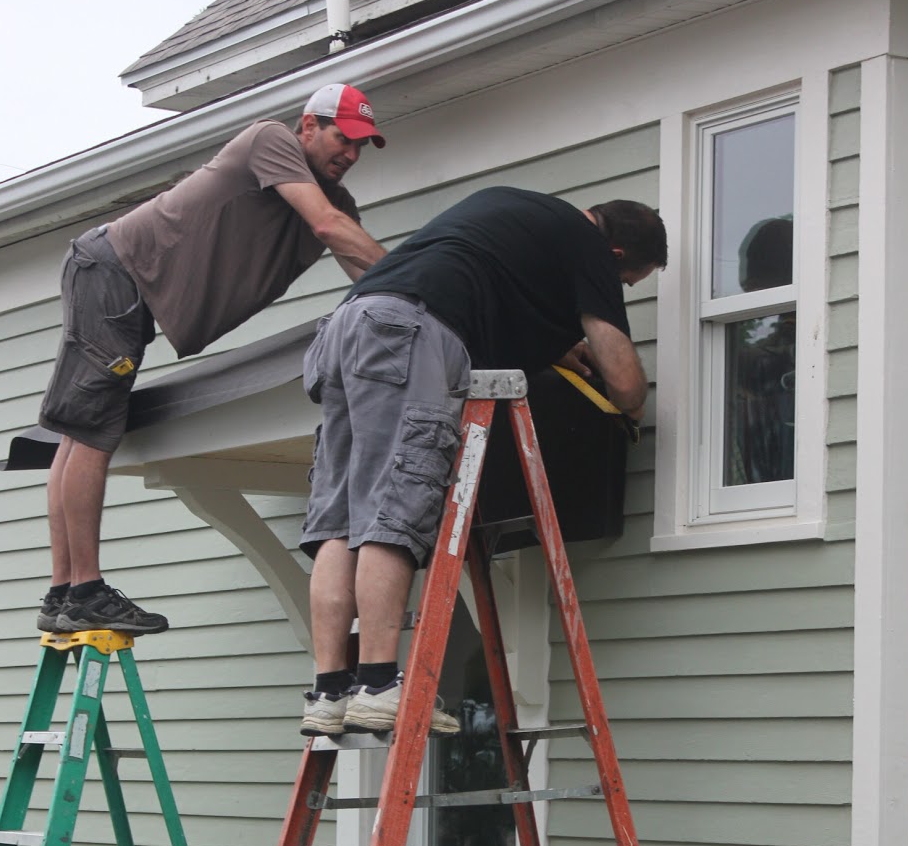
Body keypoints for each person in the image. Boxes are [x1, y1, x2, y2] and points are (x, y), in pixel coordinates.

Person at [298, 186, 666, 737]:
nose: (616, 290)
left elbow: (493, 296)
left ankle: (329, 693)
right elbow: (625, 383)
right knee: (395, 505)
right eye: (624, 283)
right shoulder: (589, 245)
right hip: (411, 335)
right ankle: (377, 683)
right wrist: (632, 400)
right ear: (614, 256)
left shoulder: (515, 213)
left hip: (346, 328)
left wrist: (556, 347)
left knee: (339, 515)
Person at [36, 84, 389, 636]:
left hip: (125, 289)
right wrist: (406, 274)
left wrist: (404, 298)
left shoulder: (337, 204)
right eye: (344, 138)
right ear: (308, 127)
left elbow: (356, 257)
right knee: (91, 432)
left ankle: (65, 592)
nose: (351, 154)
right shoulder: (271, 141)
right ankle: (82, 588)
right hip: (115, 272)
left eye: (362, 146)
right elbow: (327, 228)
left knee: (80, 435)